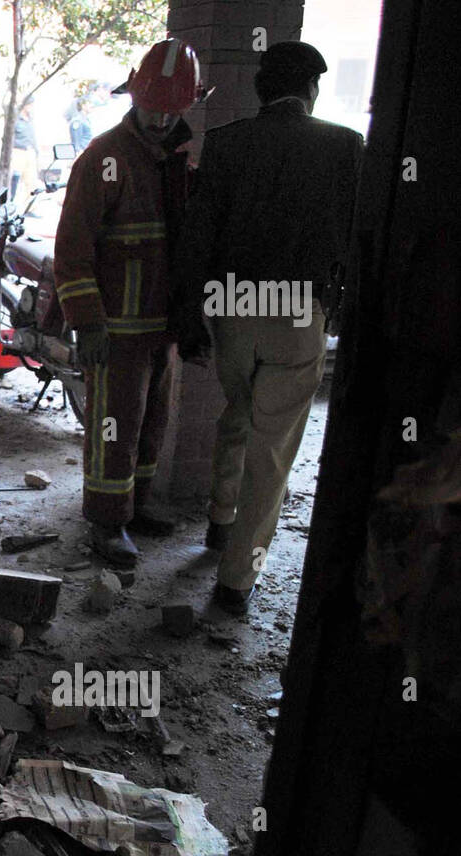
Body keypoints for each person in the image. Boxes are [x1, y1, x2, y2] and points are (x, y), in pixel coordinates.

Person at [172, 40, 363, 615]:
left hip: (232, 307)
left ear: (261, 89)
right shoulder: (347, 147)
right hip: (299, 312)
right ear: (312, 88)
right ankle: (236, 579)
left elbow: (197, 237)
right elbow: (358, 240)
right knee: (273, 450)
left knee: (239, 410)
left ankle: (218, 519)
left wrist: (188, 319)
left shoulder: (227, 144)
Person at [53, 39, 206, 568]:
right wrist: (88, 324)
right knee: (112, 427)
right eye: (153, 108)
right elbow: (71, 251)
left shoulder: (174, 160)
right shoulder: (103, 158)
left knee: (151, 423)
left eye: (173, 111)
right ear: (133, 96)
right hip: (115, 330)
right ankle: (106, 521)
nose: (162, 119)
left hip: (160, 327)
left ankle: (135, 506)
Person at [10, 97, 38, 203]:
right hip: (18, 151)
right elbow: (10, 138)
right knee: (15, 179)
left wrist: (36, 150)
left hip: (29, 152)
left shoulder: (30, 119)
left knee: (30, 181)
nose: (31, 108)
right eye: (30, 105)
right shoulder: (16, 119)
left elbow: (33, 136)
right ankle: (9, 203)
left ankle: (30, 207)